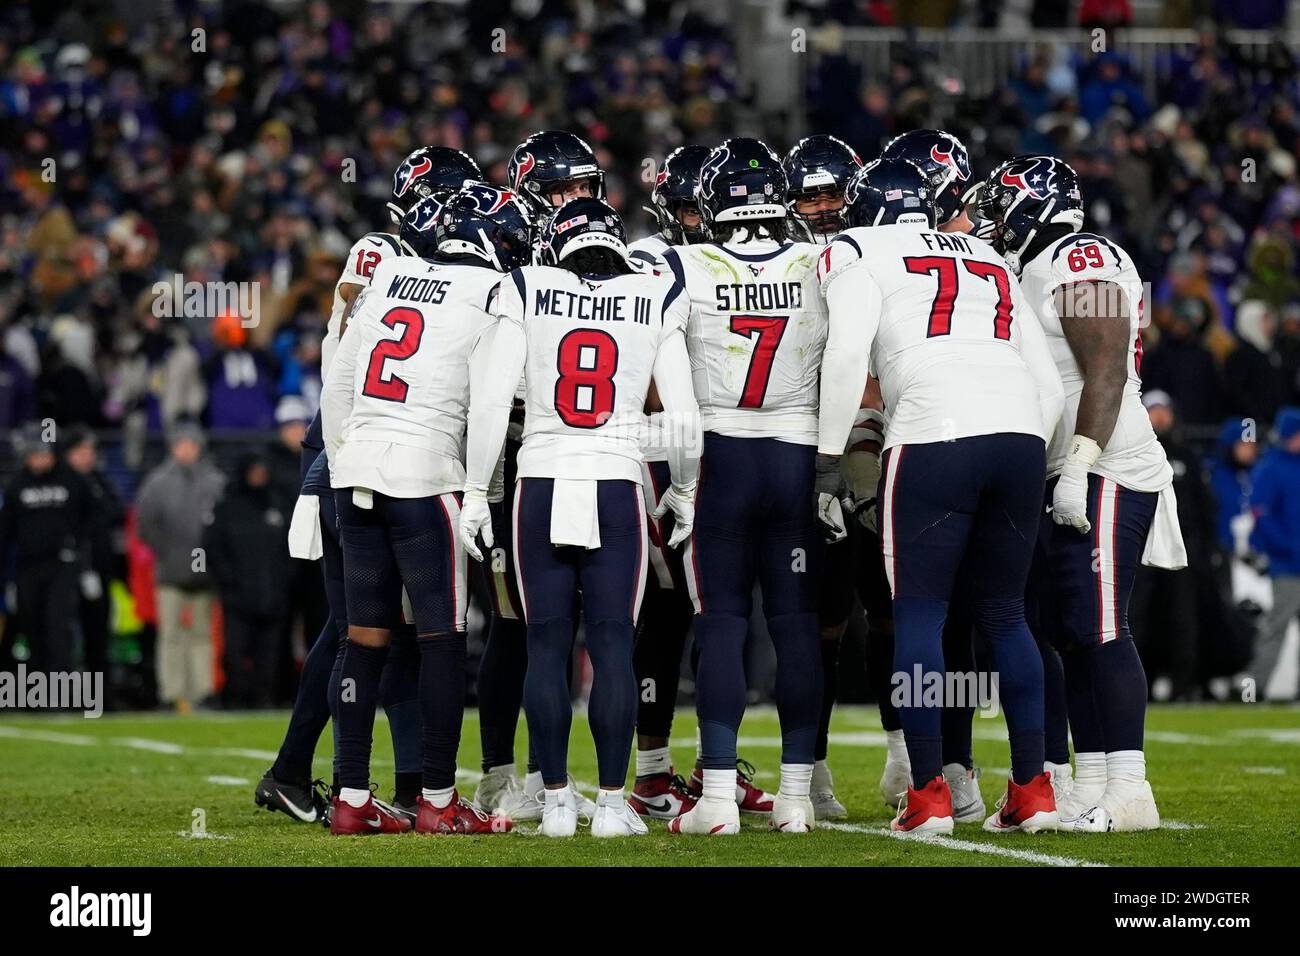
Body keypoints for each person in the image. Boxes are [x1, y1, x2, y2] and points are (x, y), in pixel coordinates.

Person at [819, 157, 1065, 834]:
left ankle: (928, 796)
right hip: (1020, 435)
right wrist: (1025, 452)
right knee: (1006, 616)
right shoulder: (987, 254)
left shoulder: (857, 249)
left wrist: (826, 458)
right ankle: (1035, 791)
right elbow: (1048, 388)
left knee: (921, 616)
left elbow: (845, 356)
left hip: (932, 434)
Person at [461, 196, 701, 838]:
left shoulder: (526, 287)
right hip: (616, 479)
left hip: (541, 476)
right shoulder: (654, 293)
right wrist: (683, 488)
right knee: (614, 643)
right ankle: (614, 804)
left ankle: (556, 802)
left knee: (545, 643)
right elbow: (683, 416)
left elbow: (490, 403)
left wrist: (474, 491)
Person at [257, 150, 478, 825]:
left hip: (365, 447)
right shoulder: (385, 257)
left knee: (385, 632)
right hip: (353, 446)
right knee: (358, 628)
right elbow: (345, 358)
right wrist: (326, 466)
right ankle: (301, 771)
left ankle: (394, 783)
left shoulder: (421, 267)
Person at [979, 154, 1187, 832]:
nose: (995, 220)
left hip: (1106, 461)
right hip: (1067, 461)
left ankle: (1130, 787)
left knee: (1100, 626)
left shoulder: (1079, 254)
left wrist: (1079, 463)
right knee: (1068, 630)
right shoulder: (1038, 266)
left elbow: (1105, 370)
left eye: (1003, 204)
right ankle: (1090, 781)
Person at [321, 183, 530, 836]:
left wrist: (345, 458)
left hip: (358, 470)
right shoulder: (494, 292)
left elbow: (337, 382)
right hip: (425, 476)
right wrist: (479, 493)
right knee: (442, 640)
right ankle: (438, 799)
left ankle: (351, 797)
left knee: (364, 641)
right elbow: (490, 407)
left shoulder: (391, 273)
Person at [658, 138, 828, 836]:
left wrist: (682, 480)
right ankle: (797, 798)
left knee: (722, 623)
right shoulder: (818, 261)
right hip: (794, 457)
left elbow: (672, 389)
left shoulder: (681, 263)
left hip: (720, 457)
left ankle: (720, 797)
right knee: (796, 625)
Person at [624, 144, 773, 822]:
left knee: (716, 612)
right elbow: (647, 372)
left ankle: (713, 765)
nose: (695, 218)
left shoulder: (730, 262)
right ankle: (652, 771)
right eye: (684, 207)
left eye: (699, 206)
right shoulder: (653, 259)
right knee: (670, 614)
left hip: (723, 451)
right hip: (666, 452)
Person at [134, 421, 226, 712]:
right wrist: (168, 552)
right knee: (171, 635)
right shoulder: (158, 483)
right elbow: (145, 524)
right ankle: (171, 693)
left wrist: (209, 557)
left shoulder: (215, 481)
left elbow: (223, 524)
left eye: (191, 445)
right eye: (181, 445)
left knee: (201, 634)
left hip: (204, 574)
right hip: (170, 571)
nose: (186, 450)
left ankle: (202, 692)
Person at [0, 424, 93, 676]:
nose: (42, 459)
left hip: (62, 564)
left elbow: (94, 518)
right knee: (31, 627)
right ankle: (38, 687)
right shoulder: (16, 486)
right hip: (28, 567)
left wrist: (84, 561)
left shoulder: (71, 480)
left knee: (58, 627)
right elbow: (5, 533)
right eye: (36, 454)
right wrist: (7, 580)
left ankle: (60, 686)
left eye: (45, 453)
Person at [203, 452, 294, 709]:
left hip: (273, 594)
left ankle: (265, 697)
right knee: (235, 650)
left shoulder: (278, 504)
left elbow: (293, 548)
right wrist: (227, 582)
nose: (258, 476)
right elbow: (211, 548)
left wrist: (284, 580)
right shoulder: (227, 507)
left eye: (262, 471)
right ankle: (236, 697)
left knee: (270, 652)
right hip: (237, 596)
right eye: (254, 471)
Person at [62, 428, 125, 699]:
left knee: (98, 634)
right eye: (81, 451)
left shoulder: (99, 481)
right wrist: (83, 568)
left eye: (90, 451)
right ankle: (65, 695)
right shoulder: (62, 483)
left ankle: (99, 696)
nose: (87, 456)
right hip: (66, 570)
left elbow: (117, 512)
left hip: (100, 567)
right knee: (64, 635)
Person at [1245, 407, 1300, 700]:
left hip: (1291, 559)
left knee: (1277, 627)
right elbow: (1261, 514)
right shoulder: (1272, 467)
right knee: (1277, 626)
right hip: (1287, 564)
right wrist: (1286, 548)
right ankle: (1255, 687)